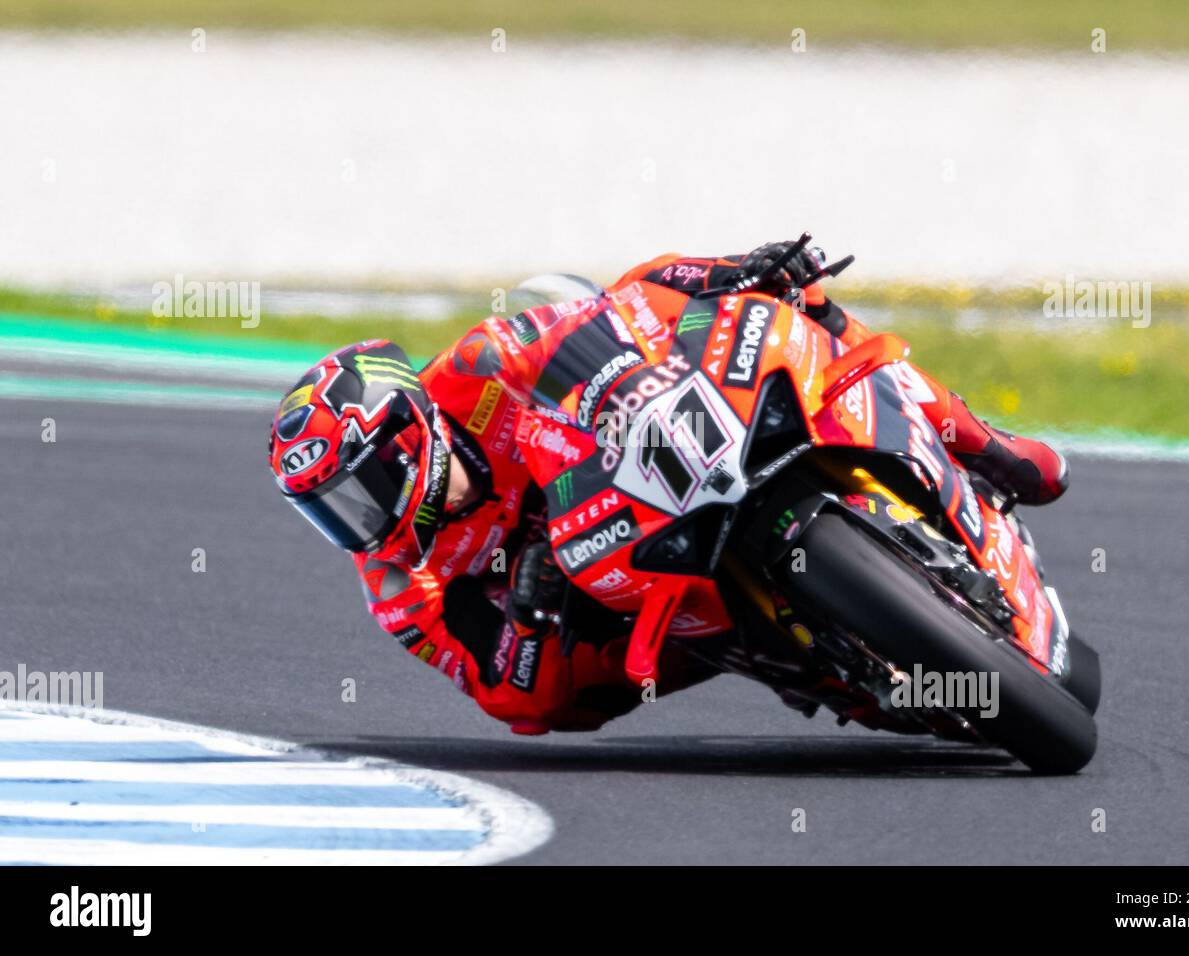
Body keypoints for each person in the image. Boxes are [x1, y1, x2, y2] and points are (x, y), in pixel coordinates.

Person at [267, 241, 1068, 734]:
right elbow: (513, 700)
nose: (355, 523)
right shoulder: (403, 585)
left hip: (644, 462)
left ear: (407, 438)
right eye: (328, 511)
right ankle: (835, 661)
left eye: (358, 489)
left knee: (802, 299)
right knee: (584, 693)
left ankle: (989, 448)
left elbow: (616, 309)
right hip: (614, 617)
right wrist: (530, 616)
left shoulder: (476, 369)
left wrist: (730, 272)